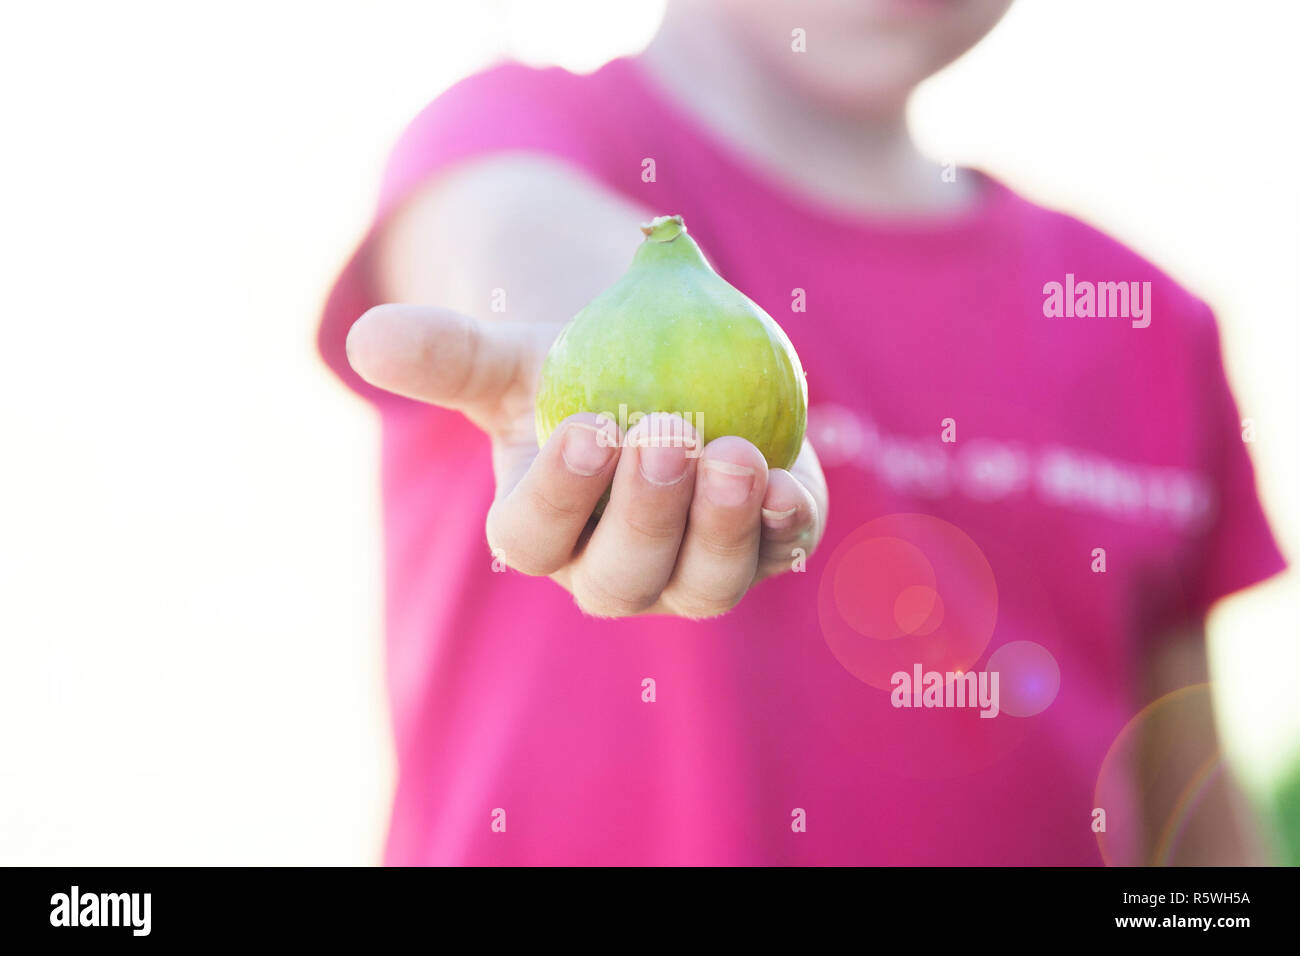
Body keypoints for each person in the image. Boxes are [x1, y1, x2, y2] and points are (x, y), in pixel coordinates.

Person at [320, 0, 1285, 864]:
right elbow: (517, 242)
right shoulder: (511, 134)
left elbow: (1183, 796)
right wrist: (590, 344)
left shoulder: (1147, 324)